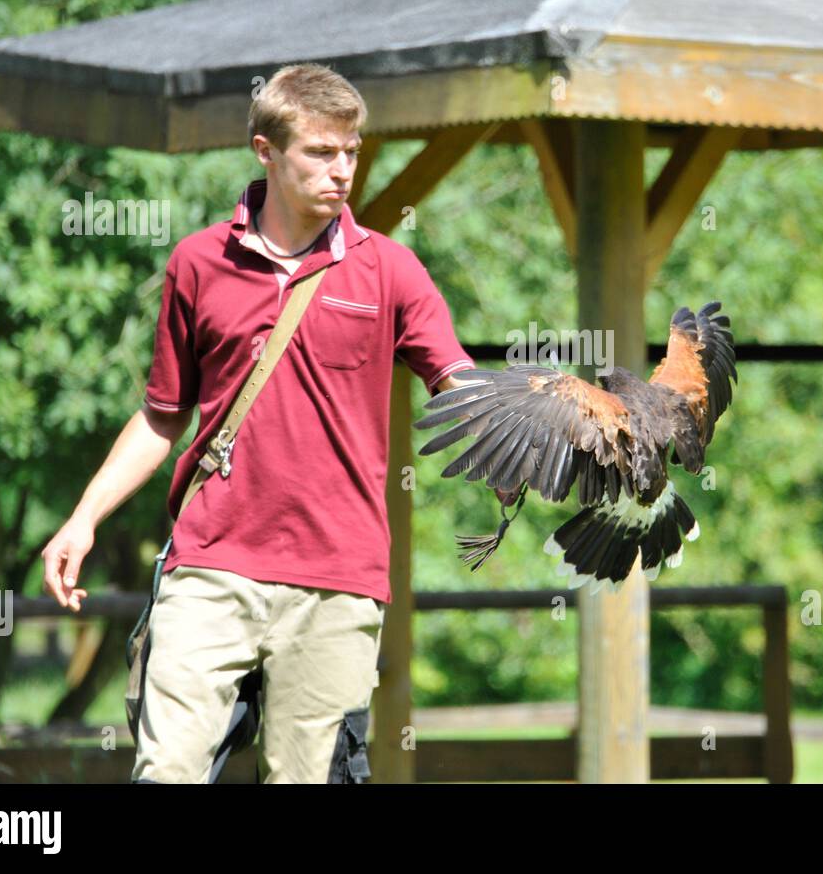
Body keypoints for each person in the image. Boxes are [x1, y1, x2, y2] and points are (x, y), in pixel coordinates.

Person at [40, 63, 495, 783]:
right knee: (165, 771)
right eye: (321, 151)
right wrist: (83, 517)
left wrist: (546, 419)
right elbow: (163, 416)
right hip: (210, 562)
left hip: (338, 575)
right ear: (266, 151)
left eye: (352, 151)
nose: (342, 169)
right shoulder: (199, 263)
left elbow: (458, 383)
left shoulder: (391, 271)